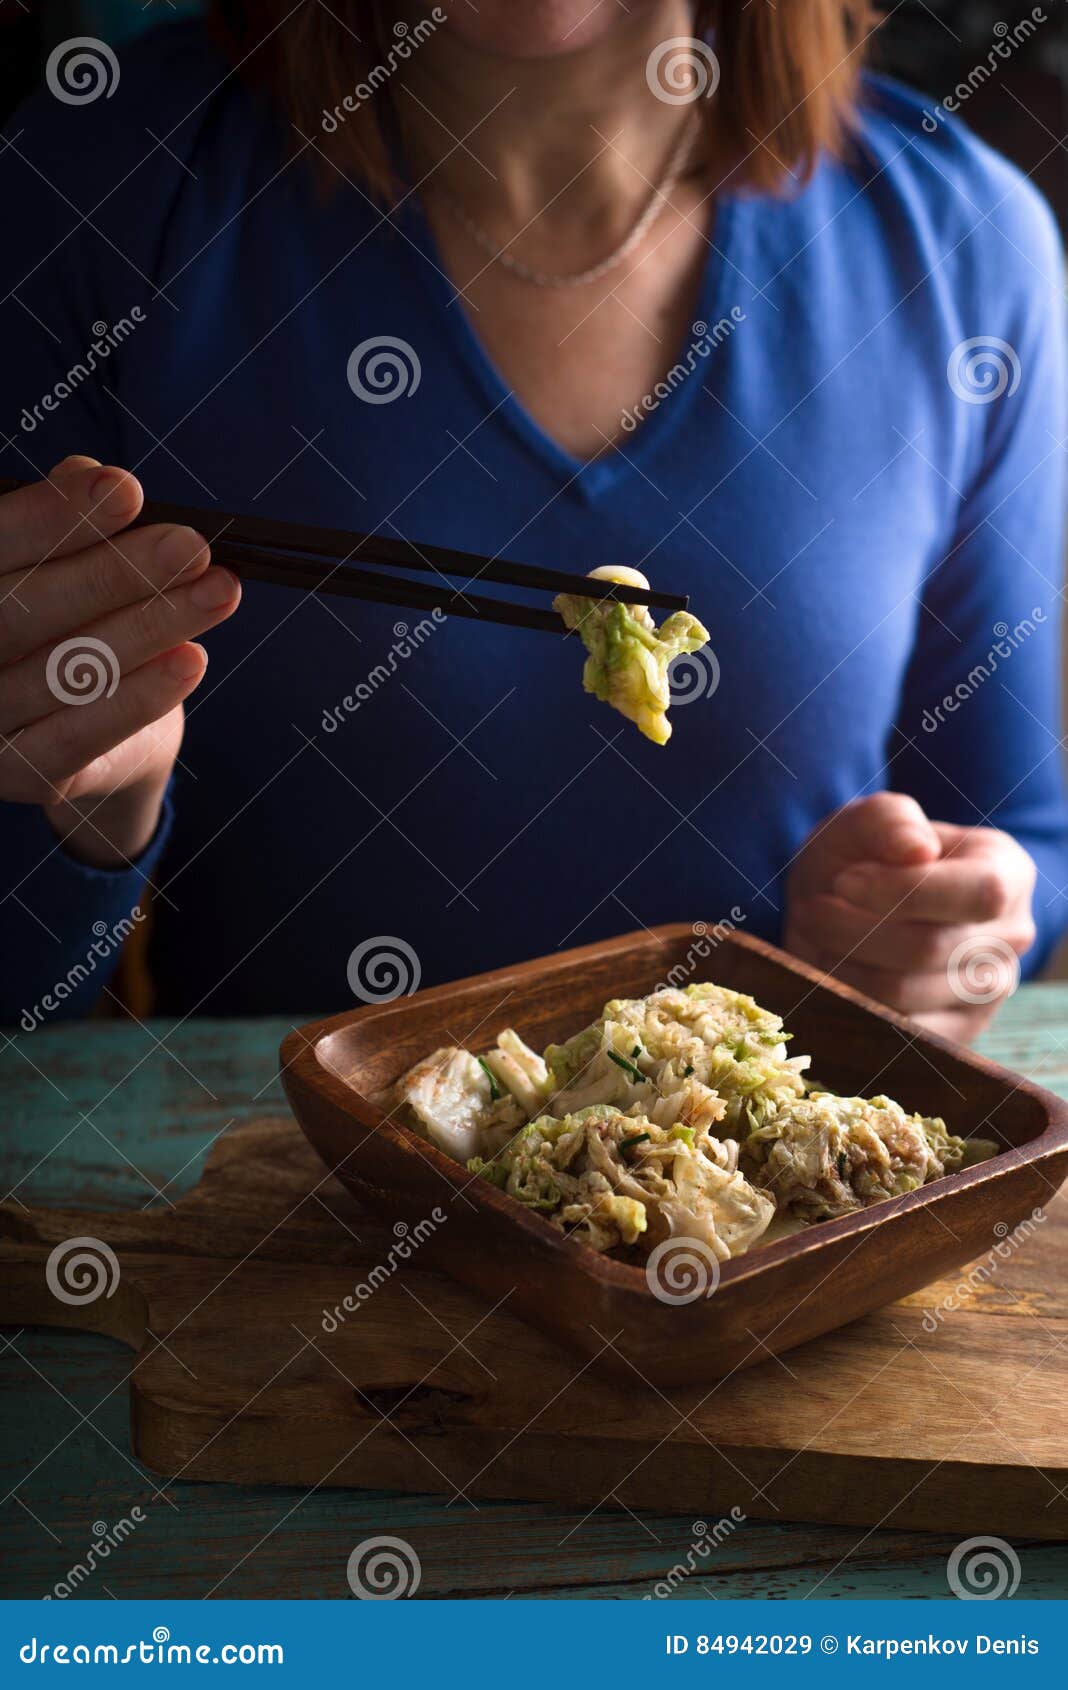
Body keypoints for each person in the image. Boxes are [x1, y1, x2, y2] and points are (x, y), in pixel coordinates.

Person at [0, 0, 1063, 1043]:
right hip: (279, 1150)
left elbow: (1024, 842)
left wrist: (947, 928)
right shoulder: (100, 187)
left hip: (773, 1156)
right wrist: (92, 813)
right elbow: (20, 997)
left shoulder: (962, 243)